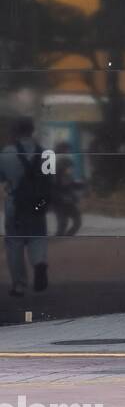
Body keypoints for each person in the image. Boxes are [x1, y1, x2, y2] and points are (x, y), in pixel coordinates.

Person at [0, 117, 49, 296]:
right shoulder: (45, 153)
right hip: (38, 204)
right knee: (37, 236)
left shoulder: (6, 153)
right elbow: (49, 181)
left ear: (15, 132)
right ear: (32, 131)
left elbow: (2, 177)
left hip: (15, 206)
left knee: (15, 243)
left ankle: (19, 285)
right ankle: (39, 262)